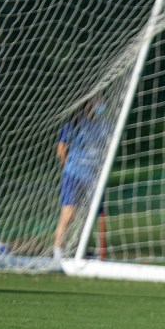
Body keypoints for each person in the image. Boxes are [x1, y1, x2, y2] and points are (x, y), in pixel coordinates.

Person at [53, 94, 111, 261]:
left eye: (102, 102)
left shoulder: (105, 126)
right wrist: (69, 168)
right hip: (73, 175)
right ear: (89, 104)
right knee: (68, 214)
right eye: (97, 102)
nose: (100, 105)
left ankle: (81, 250)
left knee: (88, 216)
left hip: (93, 178)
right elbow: (61, 150)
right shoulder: (74, 124)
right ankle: (57, 252)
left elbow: (108, 147)